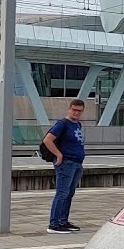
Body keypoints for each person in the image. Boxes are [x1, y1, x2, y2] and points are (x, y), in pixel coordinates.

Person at [44, 99, 86, 234]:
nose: (76, 113)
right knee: (62, 193)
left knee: (69, 194)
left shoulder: (78, 125)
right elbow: (47, 140)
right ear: (69, 109)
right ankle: (54, 224)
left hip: (76, 163)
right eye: (74, 110)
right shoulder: (63, 124)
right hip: (66, 163)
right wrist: (59, 155)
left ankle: (63, 221)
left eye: (79, 111)